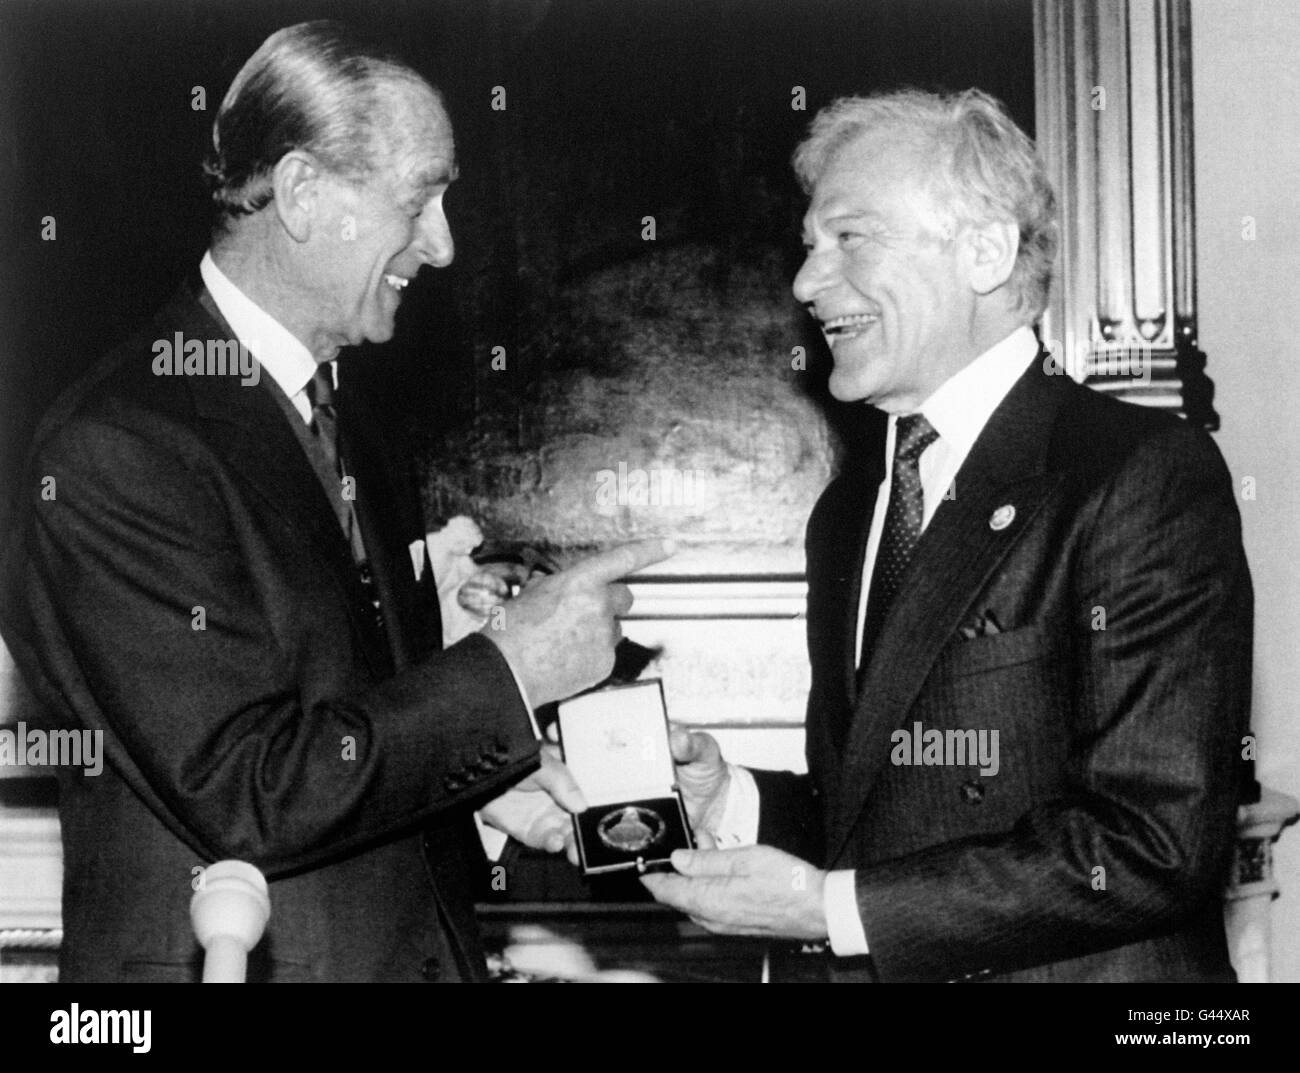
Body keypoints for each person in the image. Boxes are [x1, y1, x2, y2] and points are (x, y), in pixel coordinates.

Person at [0, 21, 667, 983]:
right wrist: (510, 669)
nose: (442, 245)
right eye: (421, 201)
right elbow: (249, 790)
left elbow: (345, 737)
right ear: (305, 193)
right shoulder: (119, 448)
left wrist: (480, 797)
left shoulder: (345, 421)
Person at [645, 88, 1253, 983]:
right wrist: (730, 799)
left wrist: (828, 912)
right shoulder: (850, 514)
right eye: (811, 247)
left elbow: (1154, 840)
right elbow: (881, 816)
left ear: (986, 251)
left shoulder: (1139, 475)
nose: (807, 283)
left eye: (850, 239)